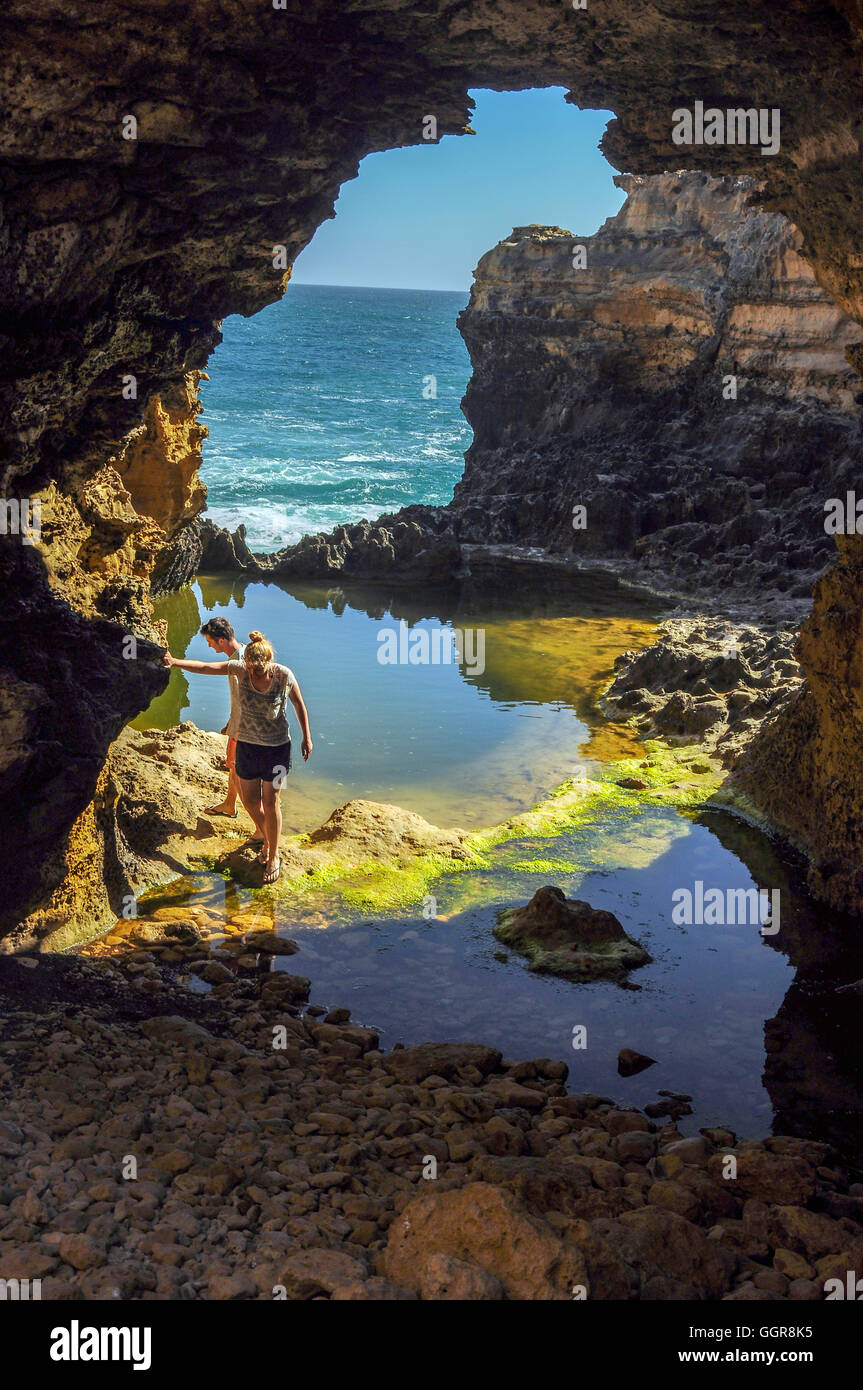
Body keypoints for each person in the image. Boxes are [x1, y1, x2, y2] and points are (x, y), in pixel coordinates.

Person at [163, 630, 312, 884]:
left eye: (258, 670)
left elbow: (299, 704)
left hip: (277, 748)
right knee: (251, 801)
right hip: (247, 746)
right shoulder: (240, 668)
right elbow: (206, 667)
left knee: (272, 799)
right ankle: (267, 835)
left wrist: (306, 737)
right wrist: (175, 662)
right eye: (250, 669)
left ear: (268, 663)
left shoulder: (284, 675)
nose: (253, 674)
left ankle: (273, 853)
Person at [198, 616, 245, 820]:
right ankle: (229, 805)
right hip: (240, 724)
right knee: (234, 767)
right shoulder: (242, 653)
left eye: (210, 641)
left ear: (221, 640)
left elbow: (205, 668)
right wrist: (230, 721)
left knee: (242, 771)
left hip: (246, 729)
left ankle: (262, 829)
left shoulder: (240, 661)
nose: (209, 645)